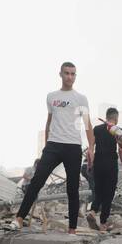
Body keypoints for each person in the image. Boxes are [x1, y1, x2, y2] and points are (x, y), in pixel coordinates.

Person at [16, 62, 92, 232]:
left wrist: (91, 148)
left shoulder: (80, 99)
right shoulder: (52, 97)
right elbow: (49, 122)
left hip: (73, 146)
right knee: (37, 181)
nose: (70, 77)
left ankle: (72, 229)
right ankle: (19, 218)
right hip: (53, 145)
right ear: (60, 74)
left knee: (72, 188)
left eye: (73, 74)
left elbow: (87, 124)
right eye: (67, 73)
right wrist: (46, 146)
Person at [85, 109, 122, 229]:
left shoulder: (97, 129)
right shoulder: (117, 130)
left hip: (98, 163)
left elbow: (91, 149)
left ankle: (93, 211)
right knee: (109, 193)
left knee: (99, 191)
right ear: (116, 118)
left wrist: (90, 164)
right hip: (110, 164)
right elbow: (121, 150)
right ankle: (103, 222)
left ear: (106, 116)